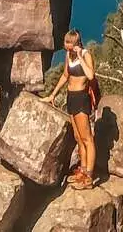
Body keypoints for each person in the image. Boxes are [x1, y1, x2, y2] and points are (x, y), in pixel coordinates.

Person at [46, 28, 98, 188]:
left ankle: (89, 176)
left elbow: (90, 76)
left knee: (87, 138)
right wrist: (53, 94)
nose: (66, 45)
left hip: (82, 98)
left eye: (69, 42)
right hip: (71, 98)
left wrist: (80, 56)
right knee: (78, 137)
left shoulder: (85, 54)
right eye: (66, 42)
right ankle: (82, 171)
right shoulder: (68, 55)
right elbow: (65, 76)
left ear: (76, 43)